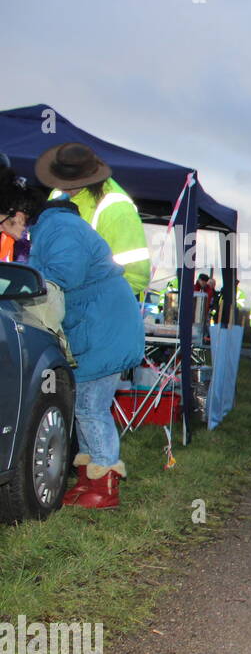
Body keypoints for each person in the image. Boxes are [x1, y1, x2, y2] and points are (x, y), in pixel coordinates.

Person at [0, 166, 143, 508]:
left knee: (92, 407)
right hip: (97, 327)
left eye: (6, 223)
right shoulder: (52, 228)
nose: (9, 232)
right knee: (85, 406)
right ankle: (89, 479)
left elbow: (61, 276)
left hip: (105, 328)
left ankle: (105, 486)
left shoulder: (59, 229)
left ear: (18, 213)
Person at [36, 143, 152, 299]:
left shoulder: (117, 209)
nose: (63, 187)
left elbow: (135, 277)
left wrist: (86, 301)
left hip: (101, 310)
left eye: (70, 183)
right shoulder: (58, 194)